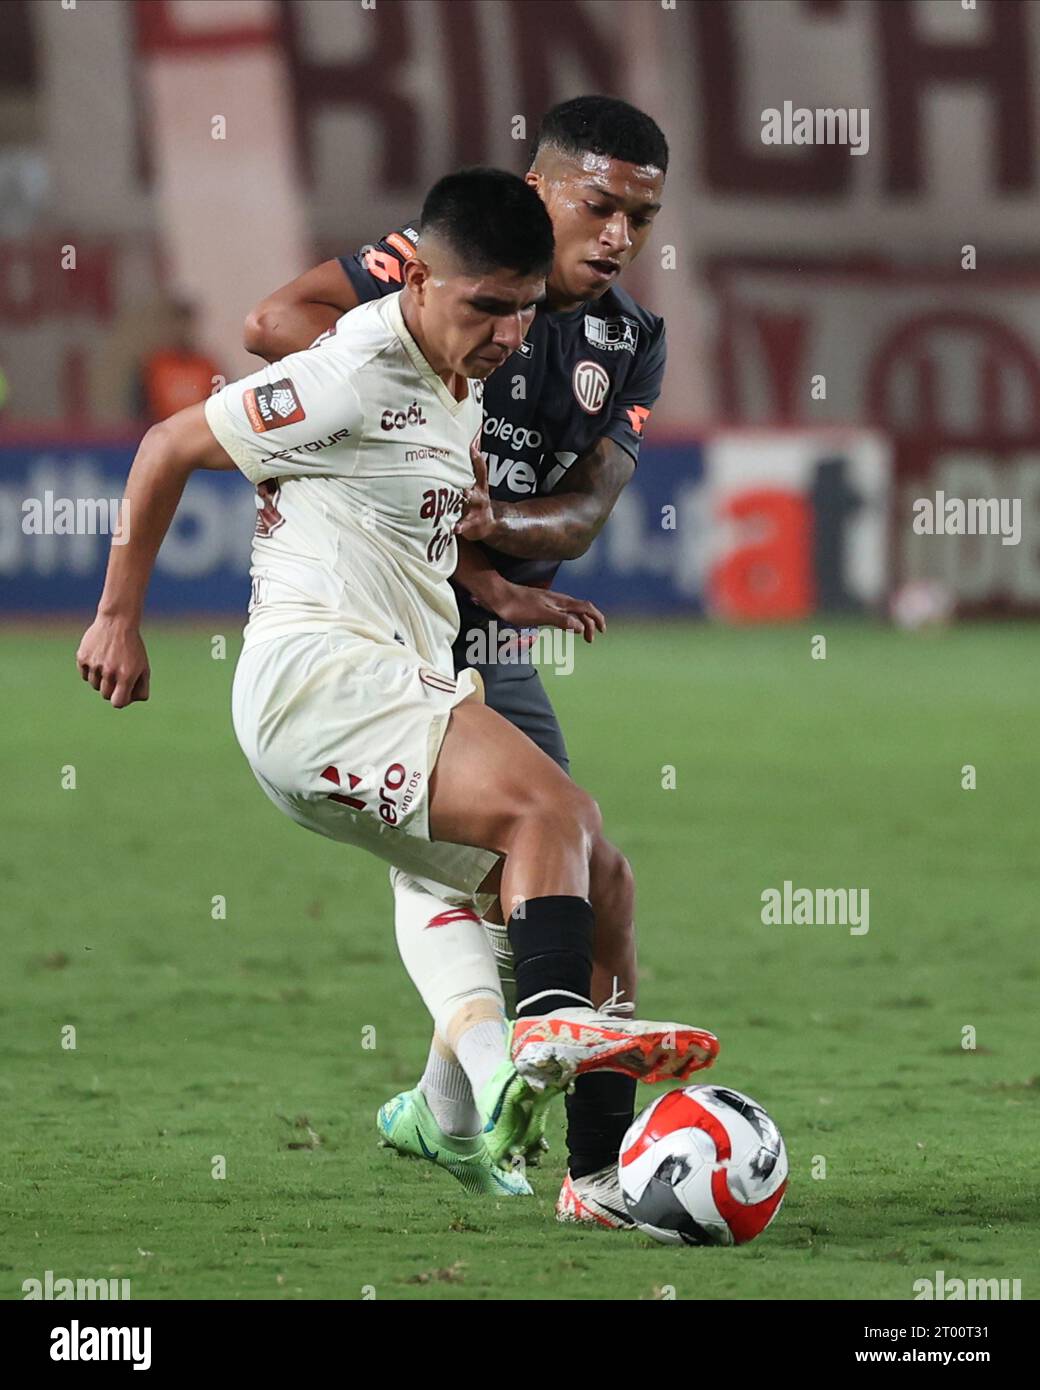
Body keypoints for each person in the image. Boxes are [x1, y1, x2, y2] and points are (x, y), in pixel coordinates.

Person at [76, 168, 718, 1201]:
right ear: (414, 278)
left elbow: (404, 515)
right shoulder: (347, 373)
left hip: (400, 677)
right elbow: (166, 446)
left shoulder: (454, 386)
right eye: (484, 307)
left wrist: (497, 591)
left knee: (601, 881)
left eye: (519, 310)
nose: (507, 334)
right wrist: (117, 617)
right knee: (553, 811)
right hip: (321, 676)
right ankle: (543, 1027)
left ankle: (596, 1174)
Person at [245, 97, 672, 1226]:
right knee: (517, 852)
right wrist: (411, 413)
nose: (621, 234)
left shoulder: (628, 341)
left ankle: (544, 1149)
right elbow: (275, 319)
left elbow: (580, 513)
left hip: (487, 613)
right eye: (599, 204)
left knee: (573, 873)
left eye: (641, 214)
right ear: (536, 194)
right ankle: (499, 1098)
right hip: (386, 599)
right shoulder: (434, 271)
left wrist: (497, 519)